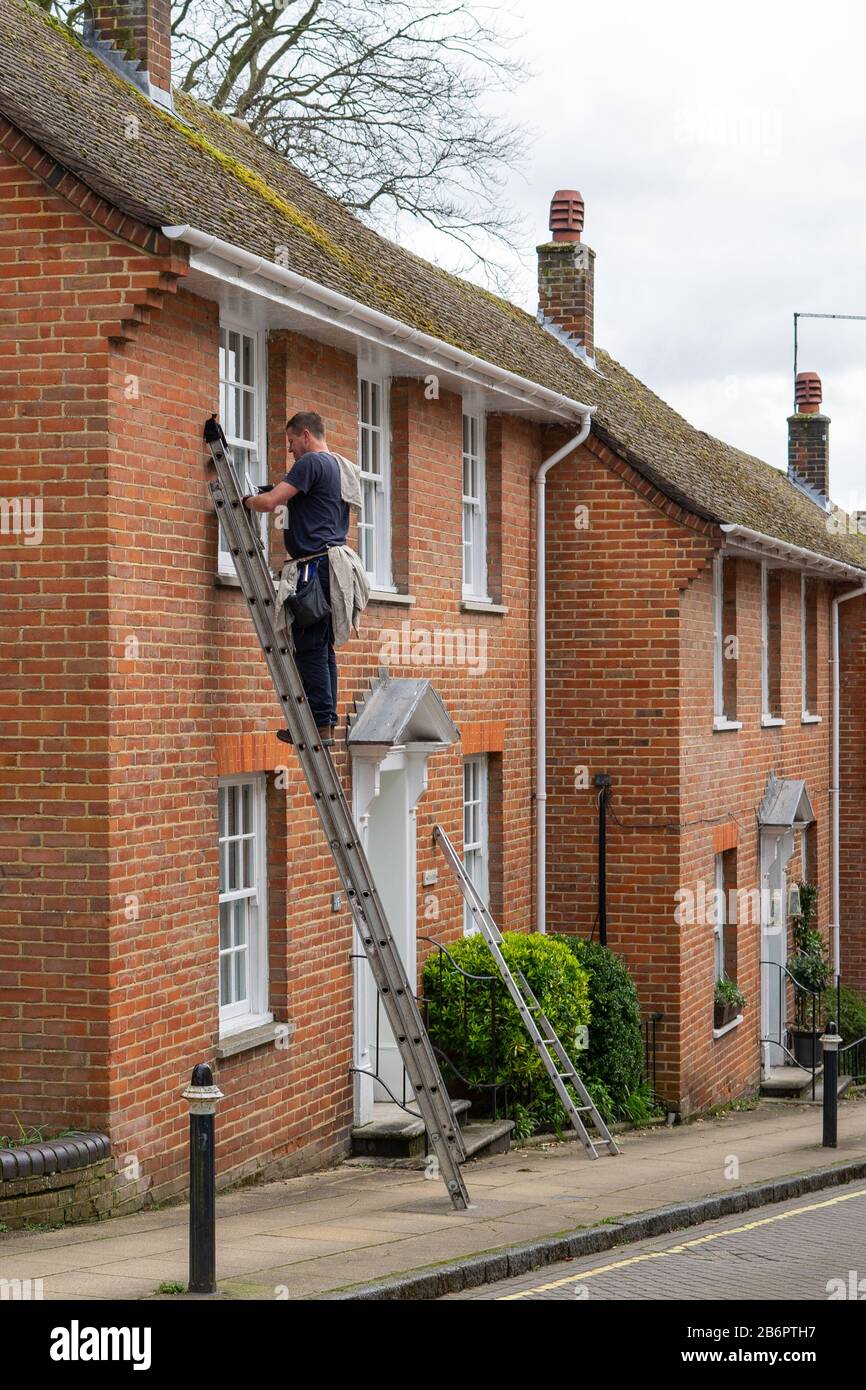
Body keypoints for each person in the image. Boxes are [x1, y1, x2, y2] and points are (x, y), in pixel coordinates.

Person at [244, 410, 366, 747]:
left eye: (292, 442)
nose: (291, 450)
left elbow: (270, 503)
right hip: (333, 568)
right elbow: (305, 502)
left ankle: (316, 723)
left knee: (309, 645)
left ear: (307, 435)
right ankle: (325, 719)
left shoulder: (311, 463)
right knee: (323, 648)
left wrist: (244, 500)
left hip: (314, 568)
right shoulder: (338, 466)